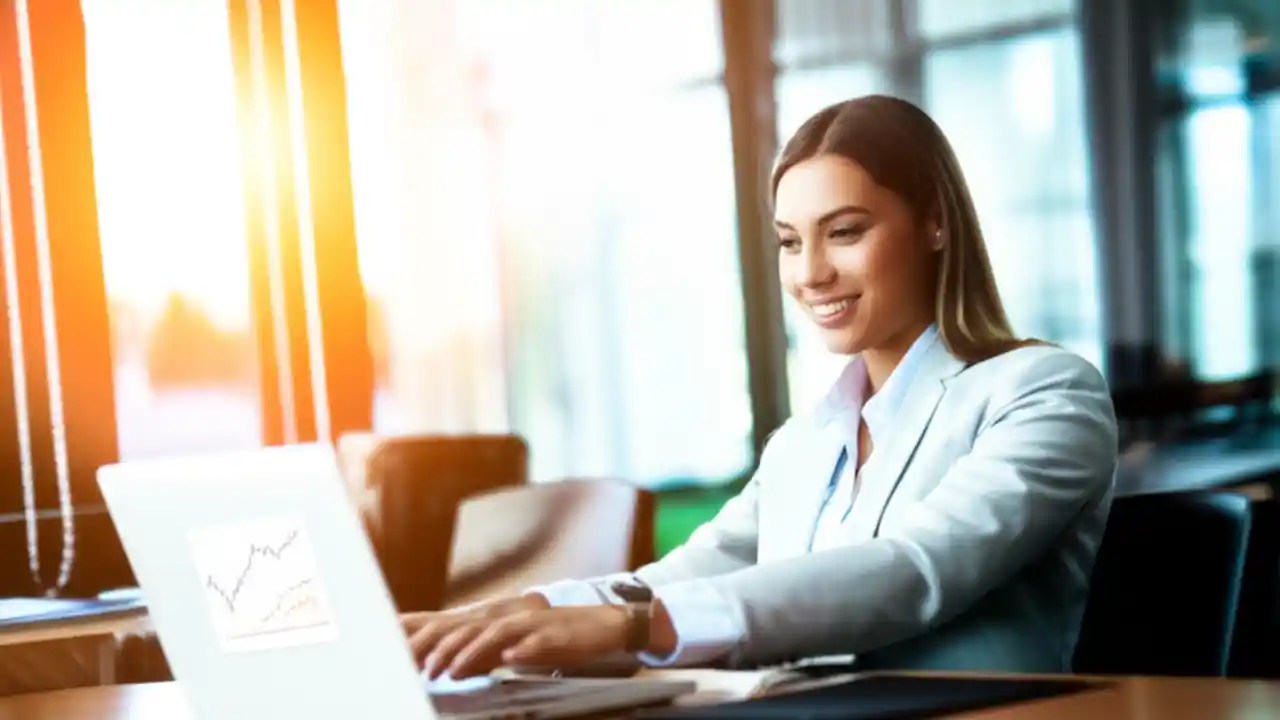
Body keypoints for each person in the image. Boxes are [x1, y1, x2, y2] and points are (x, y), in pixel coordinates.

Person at [403, 94, 1118, 680]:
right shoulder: (806, 443)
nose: (810, 273)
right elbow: (684, 575)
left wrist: (631, 627)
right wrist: (511, 614)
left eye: (844, 231)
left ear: (934, 222)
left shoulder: (1045, 393)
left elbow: (913, 570)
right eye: (789, 240)